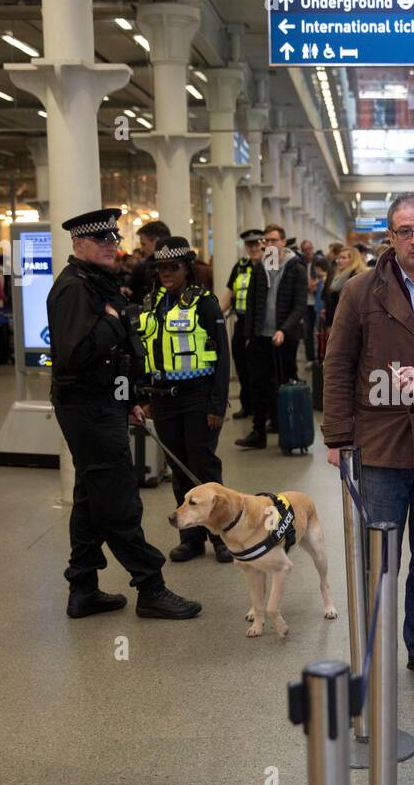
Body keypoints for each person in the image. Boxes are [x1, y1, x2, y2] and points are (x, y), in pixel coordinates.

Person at [322, 193, 414, 686]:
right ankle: (372, 650)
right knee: (378, 559)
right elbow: (339, 364)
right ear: (390, 237)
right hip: (380, 444)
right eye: (405, 231)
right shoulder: (360, 291)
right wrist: (338, 435)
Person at [47, 208, 200, 621]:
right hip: (86, 408)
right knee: (118, 500)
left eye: (114, 239)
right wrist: (112, 322)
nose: (112, 246)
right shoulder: (74, 290)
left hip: (105, 403)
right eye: (102, 241)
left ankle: (82, 588)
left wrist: (128, 394)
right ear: (79, 244)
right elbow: (75, 356)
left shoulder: (98, 283)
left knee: (90, 498)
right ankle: (150, 586)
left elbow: (116, 356)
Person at [136, 236, 232, 564]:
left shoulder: (204, 303)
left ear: (187, 269)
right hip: (164, 400)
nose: (166, 273)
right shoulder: (151, 303)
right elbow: (145, 352)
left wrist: (217, 404)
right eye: (160, 267)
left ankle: (220, 536)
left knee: (202, 467)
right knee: (178, 470)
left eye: (172, 267)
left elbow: (222, 356)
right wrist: (144, 393)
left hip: (198, 397)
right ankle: (190, 538)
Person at [235, 223, 305, 449]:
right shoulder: (259, 268)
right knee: (258, 384)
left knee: (283, 383)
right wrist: (249, 335)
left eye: (274, 240)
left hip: (285, 337)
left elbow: (299, 305)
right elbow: (252, 302)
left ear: (284, 242)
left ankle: (287, 429)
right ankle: (258, 432)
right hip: (260, 336)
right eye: (267, 241)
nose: (270, 245)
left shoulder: (296, 269)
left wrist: (283, 329)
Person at [222, 229, 263, 420]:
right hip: (241, 322)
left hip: (260, 324)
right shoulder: (240, 266)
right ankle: (247, 405)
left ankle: (262, 408)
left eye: (257, 244)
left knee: (259, 369)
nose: (254, 248)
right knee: (241, 365)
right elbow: (229, 293)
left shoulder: (268, 266)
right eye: (250, 245)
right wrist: (214, 313)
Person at [126, 219, 171, 303]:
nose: (142, 250)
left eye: (143, 244)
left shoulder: (141, 268)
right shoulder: (141, 269)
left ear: (157, 242)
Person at [323, 243, 366, 328]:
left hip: (351, 325)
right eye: (338, 258)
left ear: (353, 260)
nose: (339, 261)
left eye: (343, 258)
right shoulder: (337, 276)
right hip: (336, 322)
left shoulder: (357, 278)